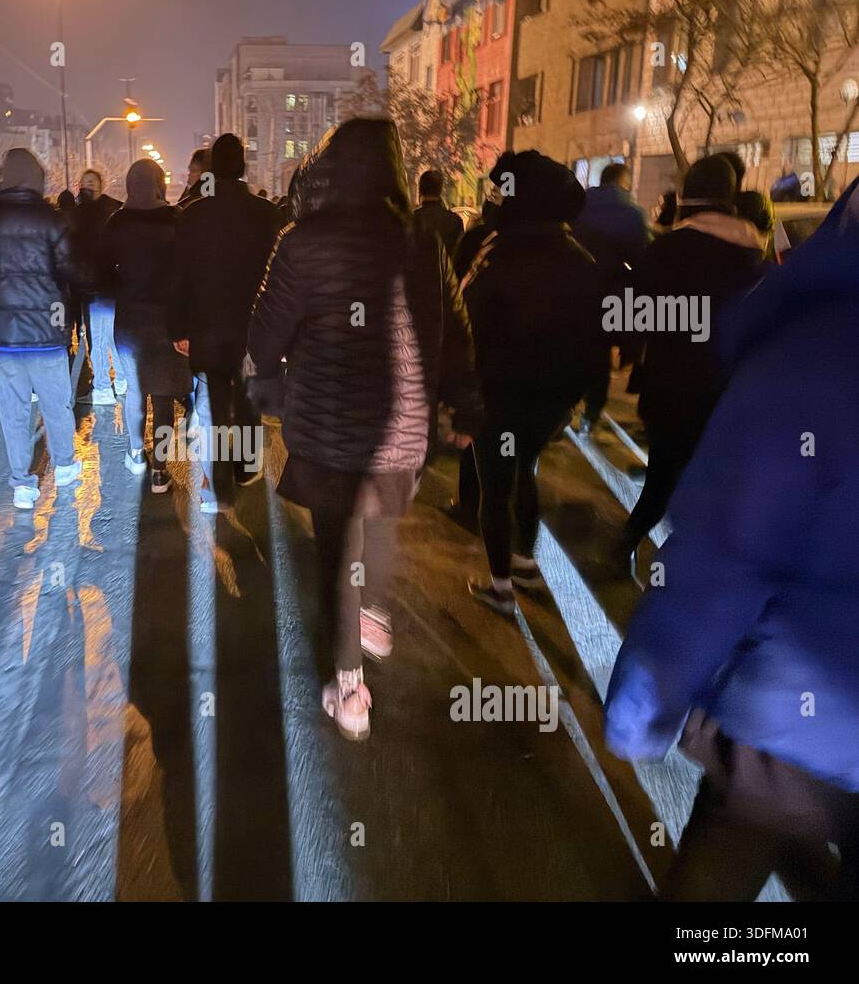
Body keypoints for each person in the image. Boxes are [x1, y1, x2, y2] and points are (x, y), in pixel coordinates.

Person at [605, 178, 859, 901]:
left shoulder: (817, 352)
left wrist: (644, 707)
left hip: (790, 734)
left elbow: (725, 555)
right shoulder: (764, 286)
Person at [249, 118, 480, 742]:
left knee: (336, 551)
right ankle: (372, 614)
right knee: (379, 525)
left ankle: (350, 691)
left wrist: (265, 374)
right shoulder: (421, 240)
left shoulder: (301, 241)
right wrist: (464, 405)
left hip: (327, 427)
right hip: (402, 424)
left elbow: (265, 336)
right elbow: (456, 333)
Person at [463, 151, 603, 616]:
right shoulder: (581, 260)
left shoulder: (497, 255)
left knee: (495, 489)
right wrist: (588, 399)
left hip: (499, 398)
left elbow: (466, 328)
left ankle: (501, 585)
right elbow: (597, 339)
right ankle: (524, 562)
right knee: (525, 469)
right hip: (551, 403)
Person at [614, 156, 767, 572]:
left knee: (663, 475)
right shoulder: (753, 257)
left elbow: (635, 313)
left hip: (670, 386)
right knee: (707, 481)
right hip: (726, 392)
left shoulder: (668, 249)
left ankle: (627, 544)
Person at [0, 148, 81, 510]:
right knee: (56, 403)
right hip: (47, 331)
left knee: (13, 410)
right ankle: (63, 465)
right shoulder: (52, 219)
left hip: (5, 336)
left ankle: (21, 483)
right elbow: (70, 271)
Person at [171, 133, 280, 512]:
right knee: (249, 398)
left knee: (215, 405)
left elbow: (179, 277)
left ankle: (218, 486)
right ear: (243, 167)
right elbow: (279, 276)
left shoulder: (193, 216)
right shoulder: (267, 214)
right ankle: (247, 467)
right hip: (254, 328)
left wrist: (179, 328)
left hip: (210, 328)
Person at [97, 159, 189, 493]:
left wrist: (121, 286)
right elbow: (187, 275)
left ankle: (136, 454)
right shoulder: (176, 219)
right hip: (168, 319)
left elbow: (101, 272)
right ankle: (160, 471)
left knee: (136, 389)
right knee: (163, 395)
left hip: (131, 319)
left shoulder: (118, 222)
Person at [573, 162, 651, 430]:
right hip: (611, 297)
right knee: (599, 355)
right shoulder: (632, 215)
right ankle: (591, 412)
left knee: (572, 349)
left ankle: (565, 407)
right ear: (623, 182)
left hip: (576, 292)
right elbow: (641, 260)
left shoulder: (578, 208)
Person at [70, 168, 125, 404]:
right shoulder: (114, 209)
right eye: (85, 182)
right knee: (110, 336)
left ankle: (102, 386)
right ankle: (121, 380)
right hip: (107, 284)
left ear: (101, 185)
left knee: (100, 337)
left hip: (97, 285)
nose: (88, 186)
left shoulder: (87, 212)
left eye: (92, 182)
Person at [412, 169, 463, 255]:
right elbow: (459, 255)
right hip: (446, 267)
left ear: (420, 190)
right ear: (440, 190)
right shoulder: (455, 220)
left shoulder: (411, 219)